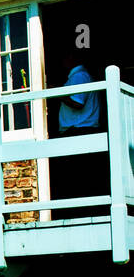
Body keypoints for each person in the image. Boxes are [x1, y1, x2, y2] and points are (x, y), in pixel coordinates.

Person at [52, 51, 105, 217]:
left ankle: (82, 212)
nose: (64, 60)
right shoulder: (79, 76)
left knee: (78, 174)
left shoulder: (79, 76)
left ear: (72, 58)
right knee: (81, 174)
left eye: (66, 57)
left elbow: (77, 102)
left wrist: (56, 93)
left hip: (79, 130)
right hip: (80, 130)